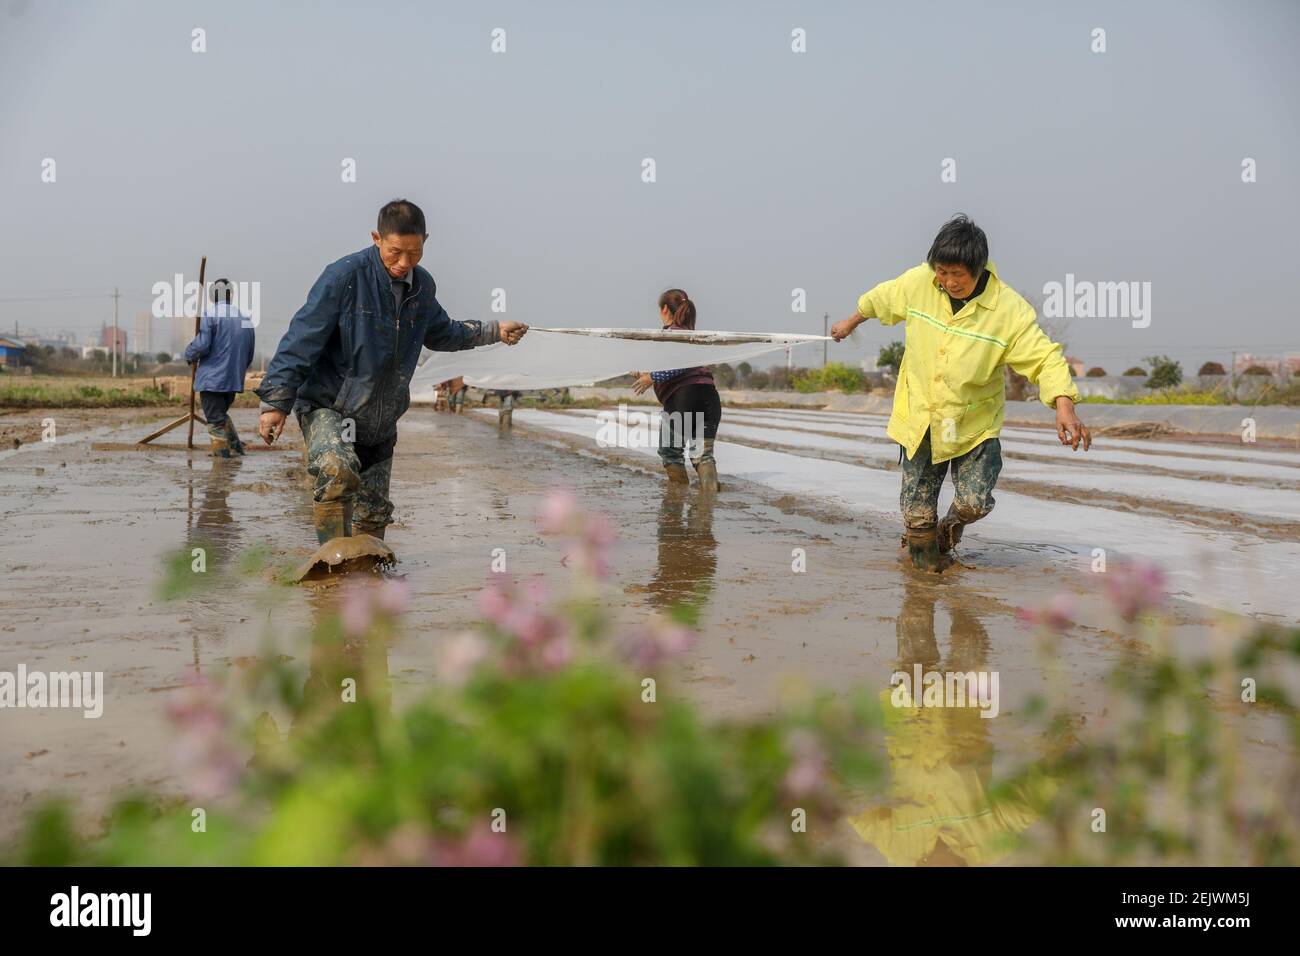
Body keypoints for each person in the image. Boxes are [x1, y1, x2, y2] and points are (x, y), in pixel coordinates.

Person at [256, 199, 527, 544]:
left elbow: (444, 332)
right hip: (329, 405)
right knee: (336, 470)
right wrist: (275, 404)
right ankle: (333, 566)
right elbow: (301, 339)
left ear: (425, 242)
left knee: (374, 509)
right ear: (377, 238)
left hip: (380, 417)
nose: (404, 263)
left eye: (414, 253)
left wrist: (493, 330)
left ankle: (366, 580)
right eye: (395, 252)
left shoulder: (423, 288)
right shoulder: (344, 277)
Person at [831, 214, 1090, 571]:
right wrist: (850, 321)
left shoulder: (1009, 310)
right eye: (942, 272)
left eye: (958, 275)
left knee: (975, 503)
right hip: (921, 416)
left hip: (974, 423)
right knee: (917, 515)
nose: (949, 282)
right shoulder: (919, 283)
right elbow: (880, 298)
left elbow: (1045, 357)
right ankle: (922, 583)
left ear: (979, 268)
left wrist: (1064, 405)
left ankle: (946, 535)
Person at [630, 289, 722, 492]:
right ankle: (708, 507)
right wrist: (644, 374)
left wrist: (653, 377)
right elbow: (678, 366)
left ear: (664, 309)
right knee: (703, 455)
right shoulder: (693, 337)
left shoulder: (669, 335)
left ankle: (676, 500)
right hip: (709, 397)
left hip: (684, 398)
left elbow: (679, 364)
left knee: (671, 453)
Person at [184, 277, 255, 458]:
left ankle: (222, 461)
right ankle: (236, 450)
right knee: (220, 415)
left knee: (215, 420)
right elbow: (249, 354)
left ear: (211, 295)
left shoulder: (211, 314)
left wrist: (189, 354)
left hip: (212, 380)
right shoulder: (245, 318)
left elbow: (202, 345)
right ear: (231, 295)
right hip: (233, 380)